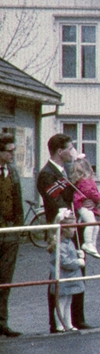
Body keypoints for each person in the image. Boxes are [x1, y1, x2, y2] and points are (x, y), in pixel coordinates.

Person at [38, 132, 87, 331]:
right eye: (70, 148)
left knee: (76, 270)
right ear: (60, 151)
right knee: (60, 273)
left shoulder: (64, 170)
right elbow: (57, 201)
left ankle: (75, 318)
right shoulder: (48, 174)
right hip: (60, 228)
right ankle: (57, 321)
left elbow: (70, 196)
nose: (72, 151)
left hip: (72, 227)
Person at [0, 133, 23, 336]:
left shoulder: (12, 171)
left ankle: (2, 322)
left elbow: (18, 199)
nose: (12, 155)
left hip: (9, 231)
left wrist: (19, 227)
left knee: (6, 278)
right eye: (9, 151)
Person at [49, 207, 86, 332]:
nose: (75, 230)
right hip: (64, 276)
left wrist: (77, 253)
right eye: (72, 227)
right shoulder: (60, 244)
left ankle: (68, 323)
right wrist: (78, 262)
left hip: (69, 277)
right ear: (64, 229)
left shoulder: (69, 242)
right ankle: (59, 324)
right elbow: (64, 261)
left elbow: (68, 255)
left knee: (68, 301)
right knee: (61, 302)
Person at [70, 155, 100, 257]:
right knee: (91, 223)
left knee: (95, 225)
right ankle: (88, 243)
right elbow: (91, 192)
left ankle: (92, 244)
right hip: (81, 206)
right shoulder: (85, 181)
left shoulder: (82, 181)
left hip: (83, 205)